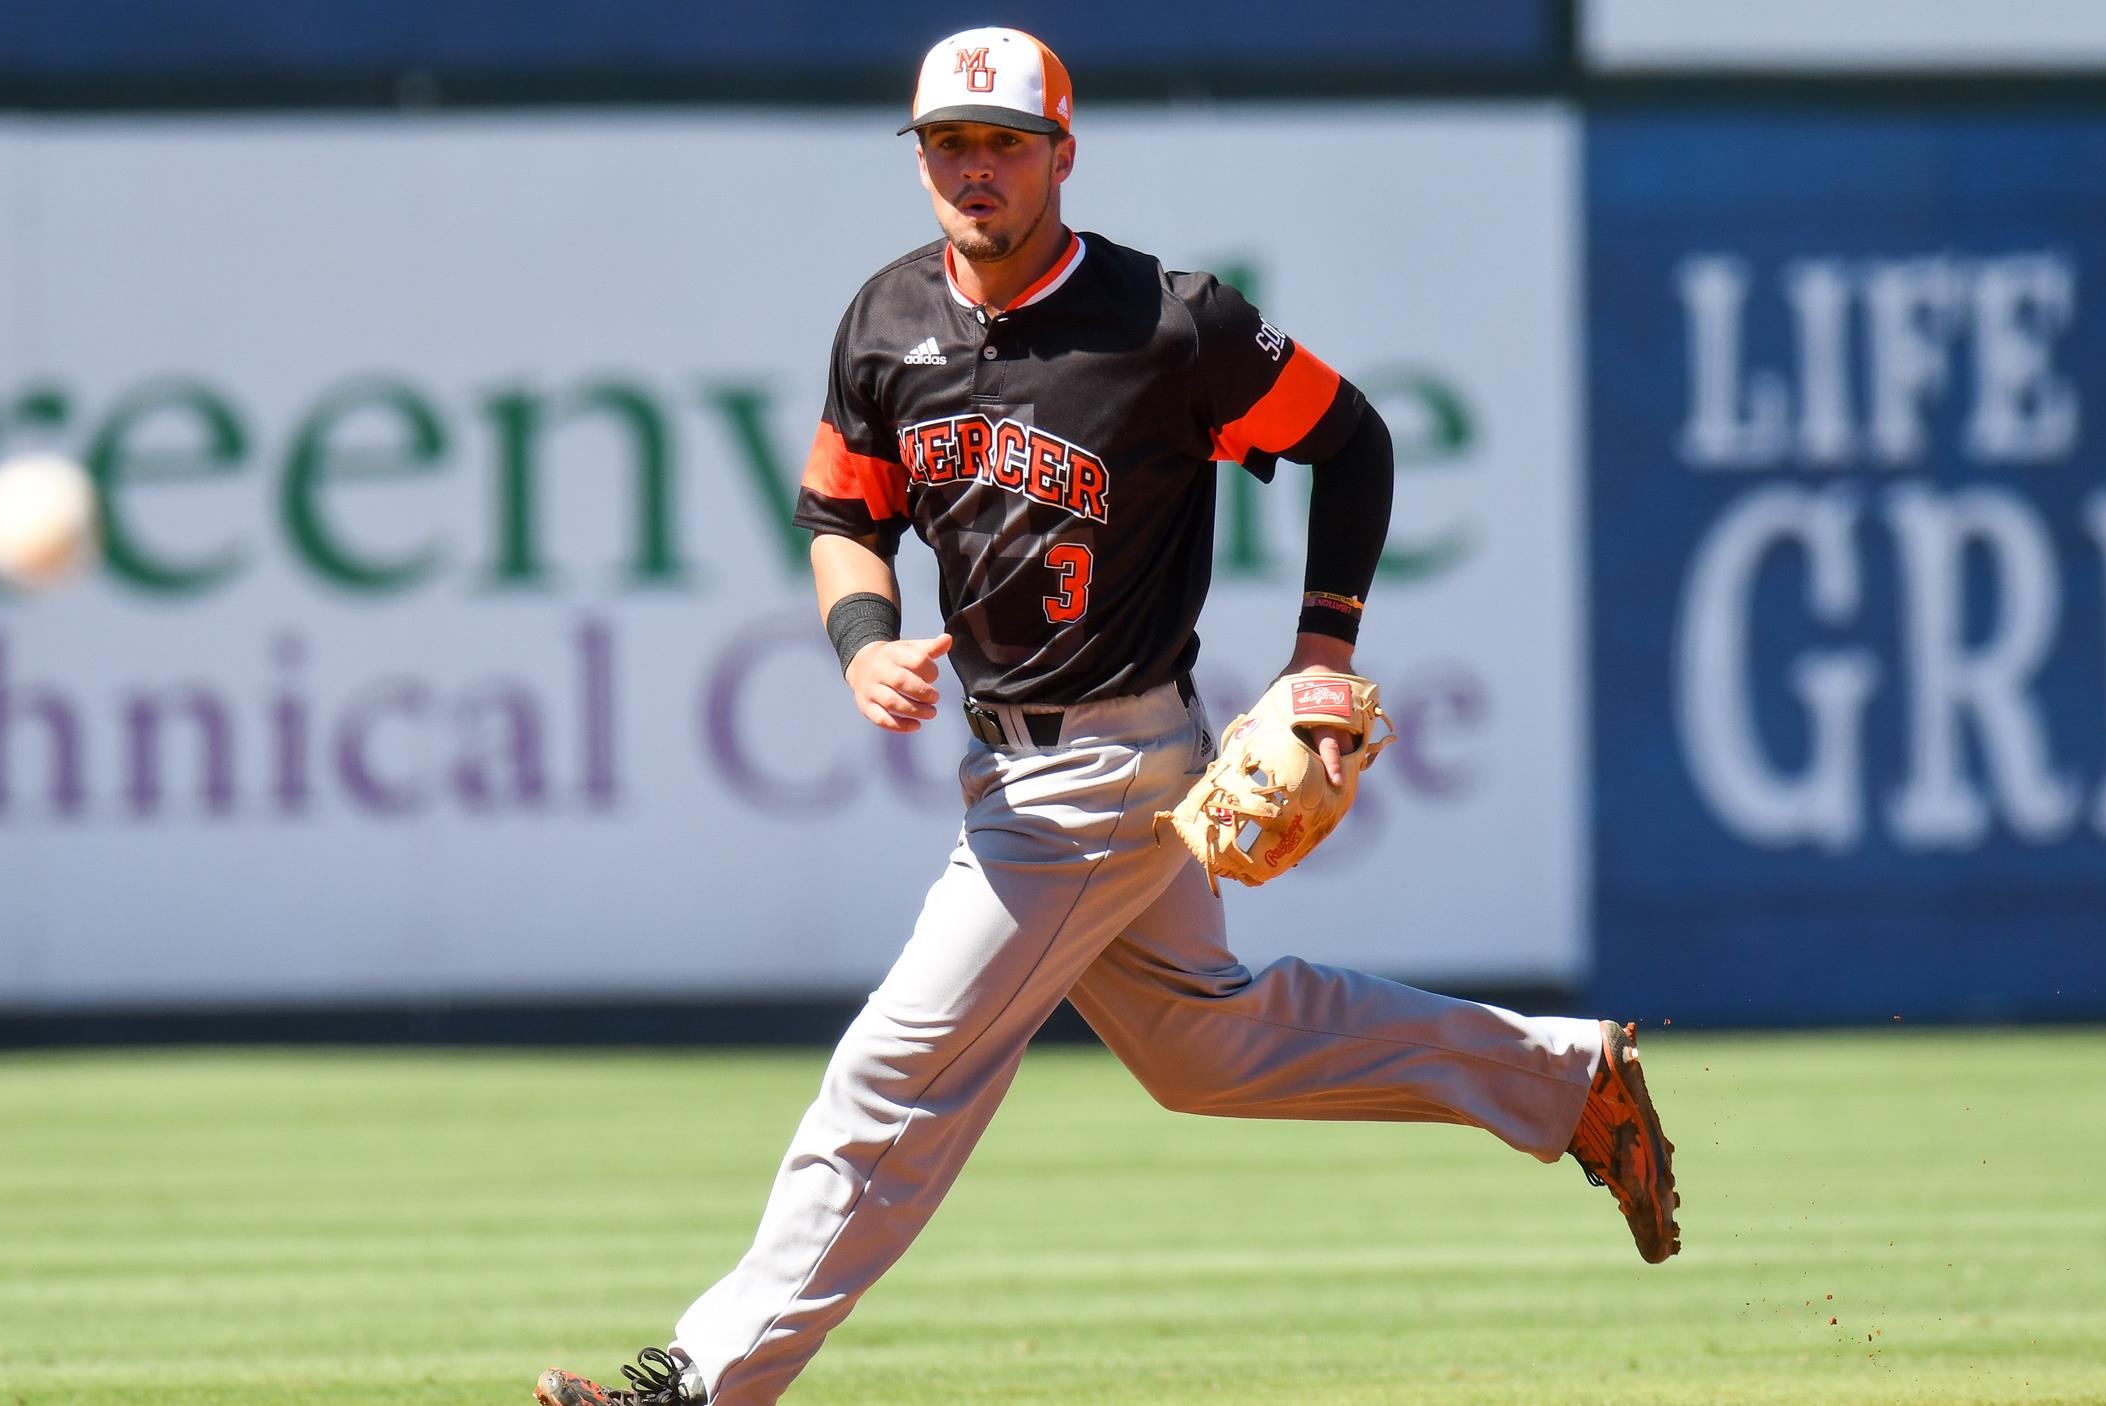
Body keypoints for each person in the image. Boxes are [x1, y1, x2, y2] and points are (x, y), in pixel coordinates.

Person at [536, 26, 1678, 1406]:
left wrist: (1321, 657)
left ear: (1062, 155)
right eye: (948, 143)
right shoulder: (888, 320)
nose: (974, 168)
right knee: (1212, 1047)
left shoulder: (1164, 323)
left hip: (1107, 768)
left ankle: (699, 1385)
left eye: (1004, 143)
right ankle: (1564, 1076)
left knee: (892, 1079)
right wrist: (860, 641)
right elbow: (844, 511)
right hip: (1012, 757)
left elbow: (1353, 438)